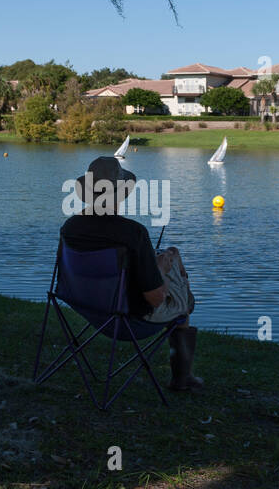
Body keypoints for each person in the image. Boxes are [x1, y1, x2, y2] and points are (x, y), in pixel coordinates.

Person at [60, 155, 203, 391]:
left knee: (170, 254)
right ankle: (183, 378)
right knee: (185, 301)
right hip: (128, 319)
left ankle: (167, 262)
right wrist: (161, 268)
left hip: (88, 309)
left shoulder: (70, 227)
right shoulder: (133, 233)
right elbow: (155, 298)